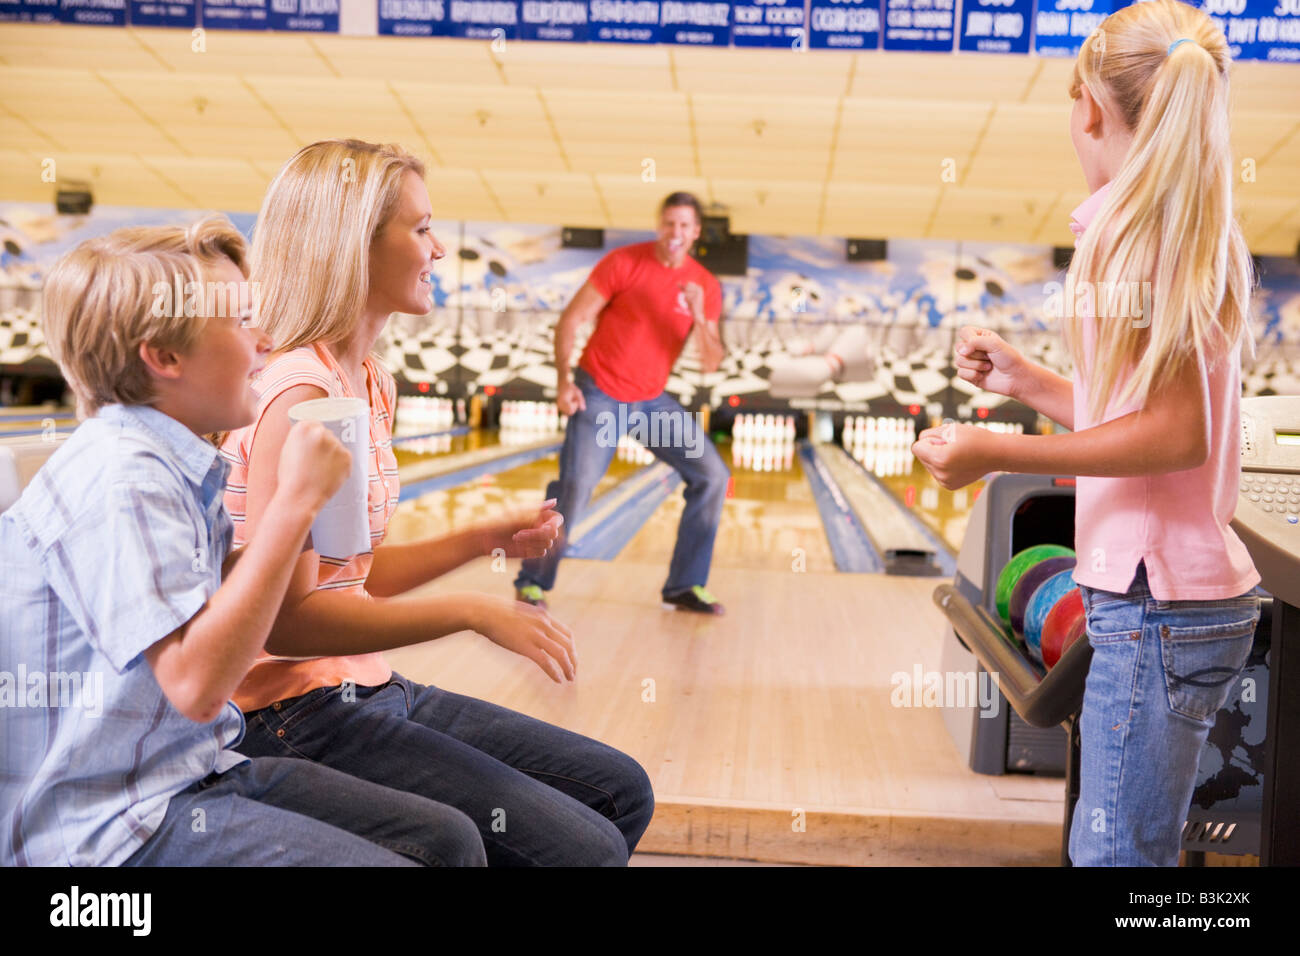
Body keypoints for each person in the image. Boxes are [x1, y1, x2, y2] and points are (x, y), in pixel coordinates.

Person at [221, 139, 654, 867]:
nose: (440, 249)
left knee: (619, 791)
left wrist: (483, 538)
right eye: (421, 228)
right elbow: (289, 620)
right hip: (290, 712)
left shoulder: (364, 382)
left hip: (361, 685)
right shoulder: (306, 397)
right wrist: (472, 611)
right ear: (354, 245)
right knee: (584, 850)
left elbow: (349, 576)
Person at [0, 218, 485, 866]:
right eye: (240, 322)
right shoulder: (123, 478)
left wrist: (315, 524)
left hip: (186, 774)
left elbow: (240, 601)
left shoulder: (169, 462)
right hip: (106, 834)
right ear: (164, 357)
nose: (266, 339)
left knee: (444, 842)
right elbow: (198, 684)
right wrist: (293, 505)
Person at [912, 0, 1260, 867]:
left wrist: (999, 451)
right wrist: (1030, 383)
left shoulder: (1129, 234)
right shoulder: (1190, 225)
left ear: (1090, 109)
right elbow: (1146, 421)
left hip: (1154, 606)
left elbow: (1174, 435)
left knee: (1115, 865)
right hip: (1180, 602)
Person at [514, 192, 731, 614]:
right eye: (669, 223)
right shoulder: (624, 263)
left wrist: (702, 315)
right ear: (659, 225)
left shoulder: (704, 285)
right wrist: (564, 380)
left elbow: (711, 364)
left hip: (651, 402)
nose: (676, 233)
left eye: (685, 226)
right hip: (600, 392)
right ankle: (533, 581)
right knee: (575, 488)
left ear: (696, 233)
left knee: (713, 476)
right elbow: (572, 320)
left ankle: (685, 585)